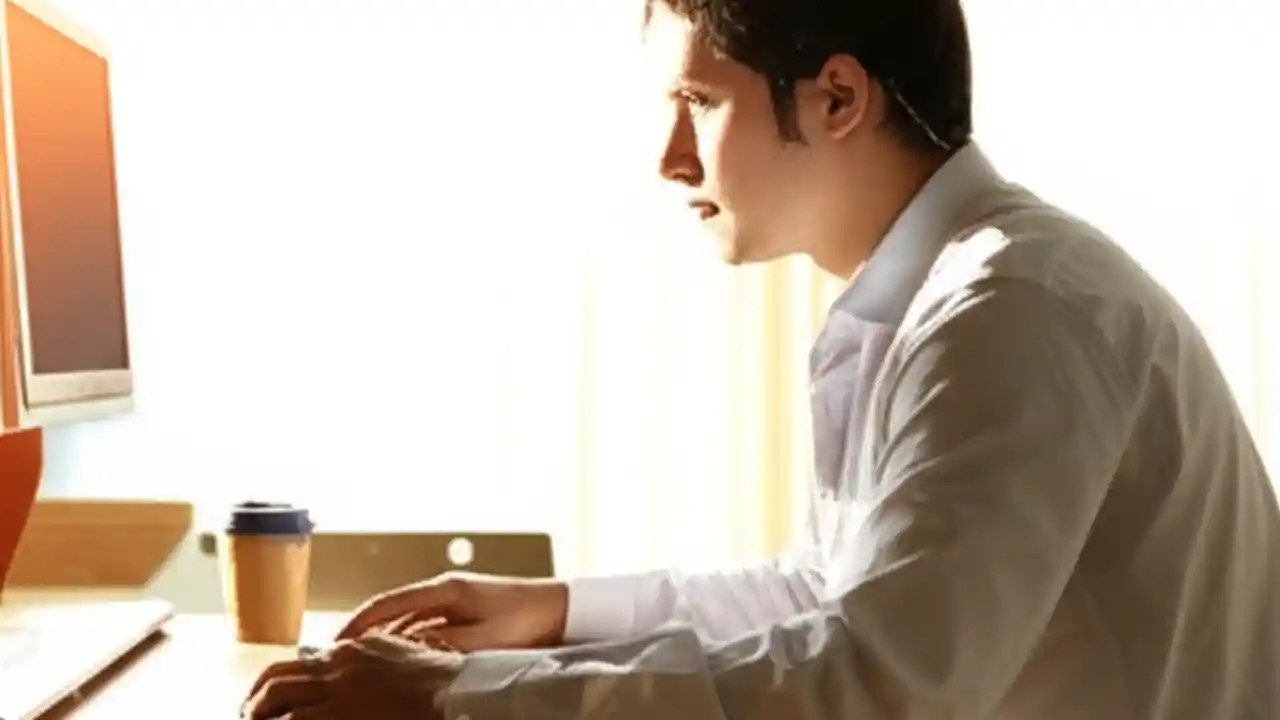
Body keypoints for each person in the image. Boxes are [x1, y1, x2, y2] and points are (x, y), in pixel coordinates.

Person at [244, 0, 1280, 717]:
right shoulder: (950, 295)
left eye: (698, 102)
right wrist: (553, 613)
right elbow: (835, 593)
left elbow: (877, 685)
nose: (669, 159)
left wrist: (455, 699)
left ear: (838, 98)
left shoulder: (1010, 312)